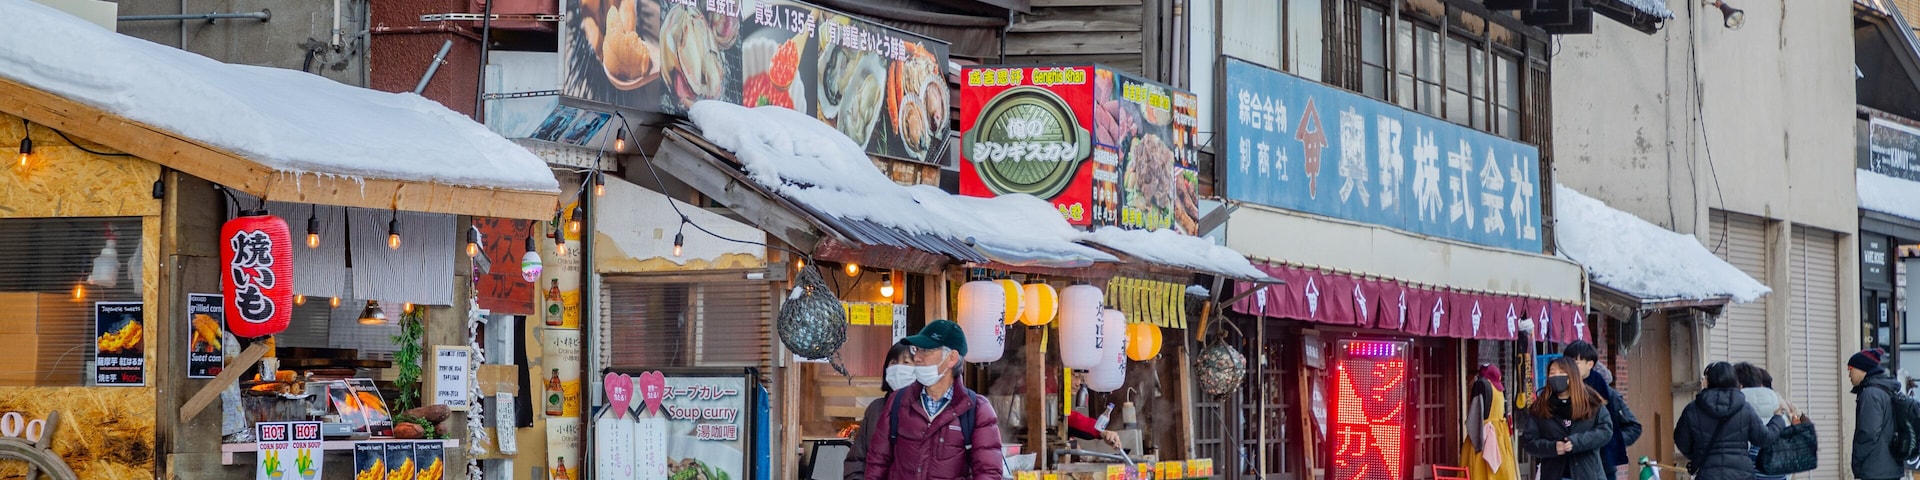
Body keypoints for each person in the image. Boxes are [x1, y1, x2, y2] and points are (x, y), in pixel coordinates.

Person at [866, 320, 1004, 480]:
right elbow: (877, 464)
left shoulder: (977, 409)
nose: (916, 357)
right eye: (916, 350)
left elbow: (988, 473)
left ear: (951, 358)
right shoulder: (898, 401)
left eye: (925, 351)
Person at [1675, 362, 1786, 480]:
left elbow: (1681, 441)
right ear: (1734, 380)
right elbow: (1764, 438)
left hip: (1708, 475)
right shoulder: (1744, 408)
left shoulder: (1693, 409)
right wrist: (1778, 419)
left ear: (1709, 380)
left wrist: (1699, 454)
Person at [1520, 356, 1615, 480]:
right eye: (1552, 373)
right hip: (1553, 474)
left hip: (1588, 474)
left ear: (1572, 376)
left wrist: (1576, 442)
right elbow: (1528, 441)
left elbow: (1605, 430)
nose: (1556, 377)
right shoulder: (1540, 407)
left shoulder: (1592, 403)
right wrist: (1553, 447)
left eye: (1561, 372)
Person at [1562, 341, 1642, 478]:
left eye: (1575, 363)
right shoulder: (1559, 393)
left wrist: (1607, 440)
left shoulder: (1608, 395)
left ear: (1590, 364)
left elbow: (1634, 427)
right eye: (1566, 363)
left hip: (1602, 469)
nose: (1570, 368)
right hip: (1566, 469)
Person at [844, 341, 915, 480]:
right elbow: (857, 459)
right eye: (894, 362)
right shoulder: (875, 409)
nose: (899, 368)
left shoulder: (926, 409)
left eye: (906, 362)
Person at [1849, 348, 1905, 480]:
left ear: (1863, 369)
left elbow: (1868, 433)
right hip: (1892, 467)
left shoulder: (1871, 394)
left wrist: (1857, 462)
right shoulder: (1888, 390)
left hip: (1875, 470)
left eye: (1851, 369)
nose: (1849, 374)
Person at [1460, 365, 1518, 480]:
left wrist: (1476, 442)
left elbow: (1474, 417)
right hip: (1500, 436)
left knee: (1479, 471)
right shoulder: (1500, 389)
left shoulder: (1481, 384)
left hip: (1483, 434)